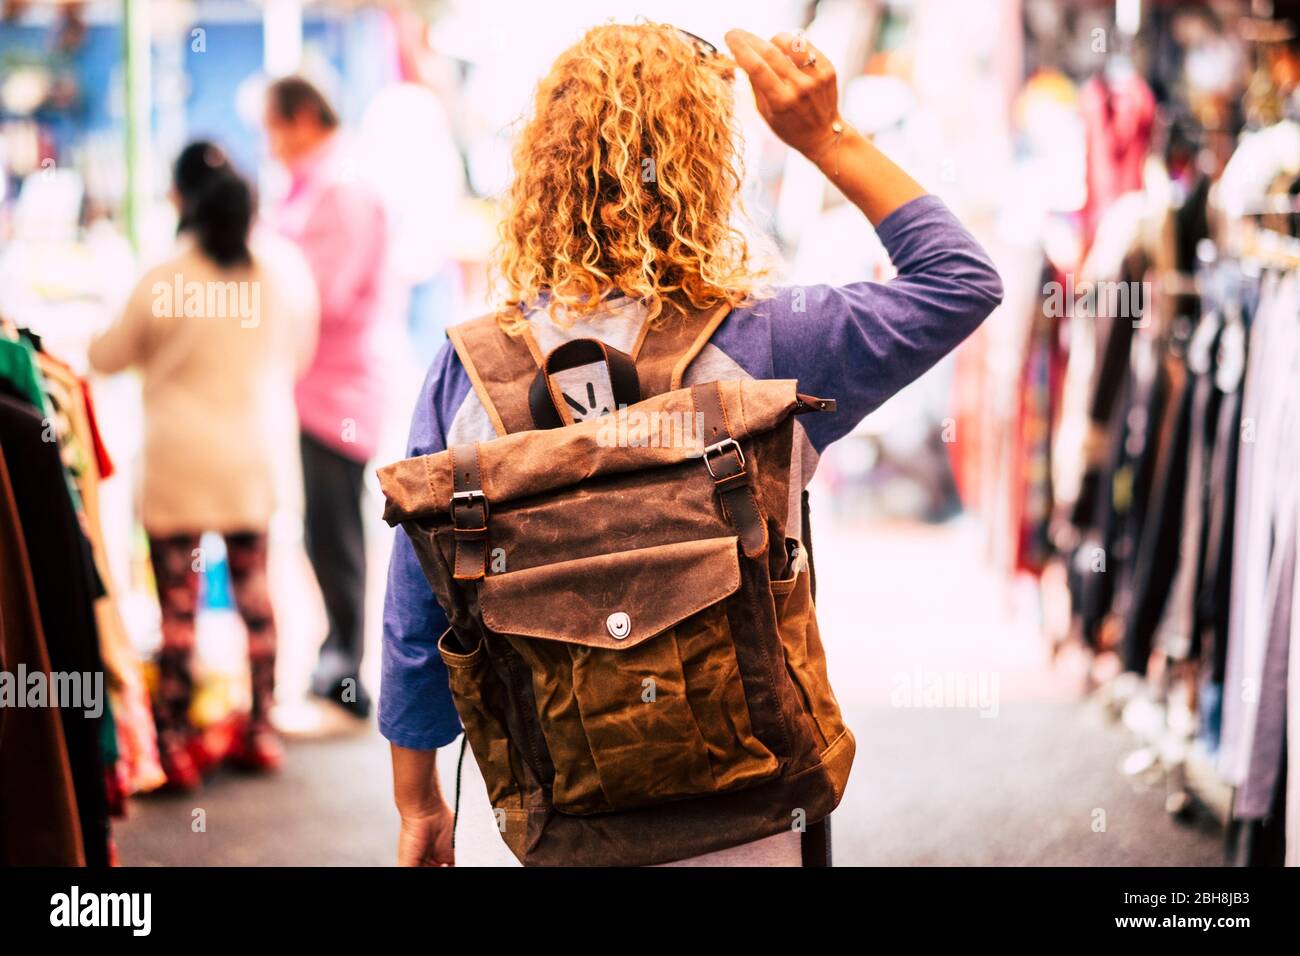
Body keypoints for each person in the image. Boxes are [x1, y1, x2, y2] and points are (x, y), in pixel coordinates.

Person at [381, 24, 1004, 866]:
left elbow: (420, 609)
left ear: (545, 174)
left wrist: (418, 801)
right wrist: (825, 137)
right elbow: (959, 280)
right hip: (752, 810)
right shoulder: (776, 346)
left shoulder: (466, 374)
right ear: (707, 168)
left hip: (568, 812)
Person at [89, 142, 318, 789]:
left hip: (176, 466)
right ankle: (262, 730)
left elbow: (107, 356)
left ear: (185, 205)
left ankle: (176, 745)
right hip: (249, 460)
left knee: (178, 614)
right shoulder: (278, 278)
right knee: (254, 600)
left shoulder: (162, 280)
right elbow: (296, 356)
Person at [264, 77, 390, 719]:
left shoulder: (340, 186)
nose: (270, 142)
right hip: (316, 383)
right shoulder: (317, 182)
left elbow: (325, 293)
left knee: (336, 531)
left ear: (305, 117)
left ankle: (348, 673)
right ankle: (336, 658)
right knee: (321, 527)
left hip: (340, 387)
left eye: (274, 126)